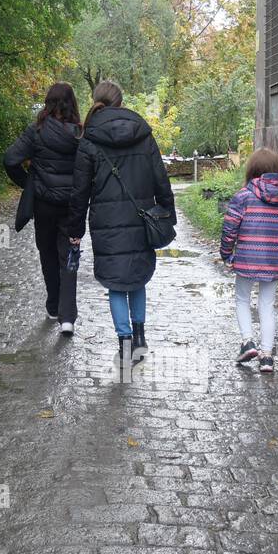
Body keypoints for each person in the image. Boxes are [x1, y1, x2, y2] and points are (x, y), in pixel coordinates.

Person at [67, 79, 174, 366]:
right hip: (141, 218)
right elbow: (160, 178)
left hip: (106, 222)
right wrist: (167, 214)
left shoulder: (89, 139)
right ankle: (140, 338)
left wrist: (74, 230)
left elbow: (79, 191)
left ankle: (125, 344)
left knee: (116, 283)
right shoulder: (142, 133)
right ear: (121, 101)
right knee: (137, 278)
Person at [4, 82, 83, 335]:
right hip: (72, 205)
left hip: (44, 205)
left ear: (48, 103)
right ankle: (67, 317)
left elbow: (10, 159)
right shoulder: (81, 134)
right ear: (72, 104)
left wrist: (29, 183)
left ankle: (52, 305)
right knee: (69, 257)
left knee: (47, 253)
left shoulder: (35, 132)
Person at [220, 148, 278, 374]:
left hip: (246, 259)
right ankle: (266, 357)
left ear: (252, 169)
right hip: (275, 262)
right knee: (267, 306)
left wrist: (226, 254)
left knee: (242, 299)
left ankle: (248, 342)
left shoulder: (242, 197)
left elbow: (229, 228)